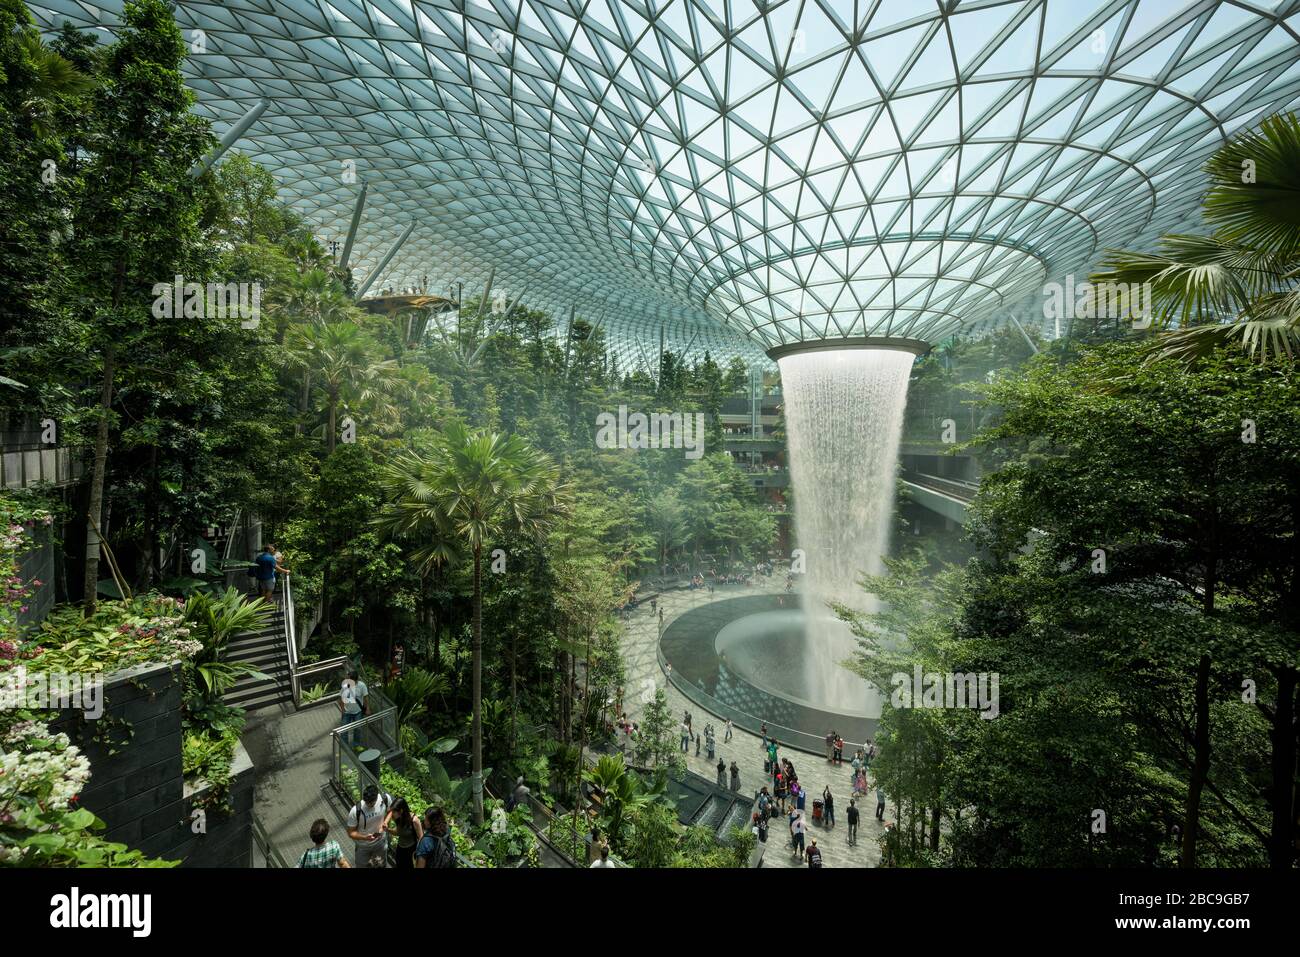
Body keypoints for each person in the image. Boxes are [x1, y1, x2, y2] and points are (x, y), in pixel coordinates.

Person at [346, 784, 392, 868]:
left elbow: (390, 811)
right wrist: (365, 837)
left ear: (376, 798)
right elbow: (350, 832)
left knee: (381, 865)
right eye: (366, 802)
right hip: (363, 847)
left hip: (380, 843)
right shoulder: (355, 811)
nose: (368, 804)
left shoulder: (385, 799)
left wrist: (385, 822)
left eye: (371, 802)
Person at [388, 797, 423, 868]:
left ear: (401, 811)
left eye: (394, 812)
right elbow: (398, 833)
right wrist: (388, 830)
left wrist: (419, 856)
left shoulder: (414, 820)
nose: (392, 814)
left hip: (410, 851)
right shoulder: (398, 818)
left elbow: (421, 838)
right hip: (400, 848)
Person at [338, 669, 369, 747]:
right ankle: (345, 746)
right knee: (344, 730)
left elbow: (365, 698)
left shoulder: (362, 686)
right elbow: (341, 698)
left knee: (358, 729)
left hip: (357, 712)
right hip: (347, 712)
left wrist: (367, 708)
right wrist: (342, 710)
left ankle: (356, 745)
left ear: (355, 680)